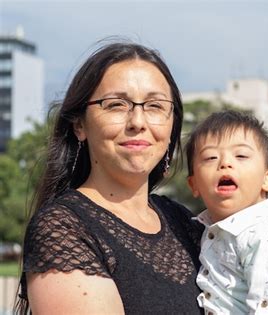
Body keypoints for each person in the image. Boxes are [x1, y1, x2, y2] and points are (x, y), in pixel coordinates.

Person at [15, 40, 204, 314]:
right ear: (80, 125)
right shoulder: (63, 229)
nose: (138, 122)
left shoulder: (184, 222)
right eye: (116, 105)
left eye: (155, 106)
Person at [185, 110, 268, 314]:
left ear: (267, 179)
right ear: (194, 184)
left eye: (241, 155)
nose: (225, 163)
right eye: (210, 157)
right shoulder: (200, 229)